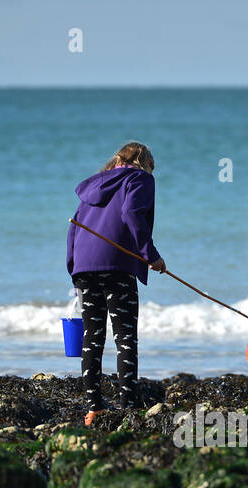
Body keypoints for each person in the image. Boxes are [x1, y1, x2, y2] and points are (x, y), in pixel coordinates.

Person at [67, 141, 166, 426]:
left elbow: (74, 228)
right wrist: (151, 256)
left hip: (84, 267)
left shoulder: (93, 186)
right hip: (117, 266)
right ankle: (128, 407)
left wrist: (74, 271)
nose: (152, 173)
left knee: (92, 337)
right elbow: (132, 214)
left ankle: (93, 408)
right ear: (145, 163)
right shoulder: (140, 179)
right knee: (125, 337)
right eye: (152, 167)